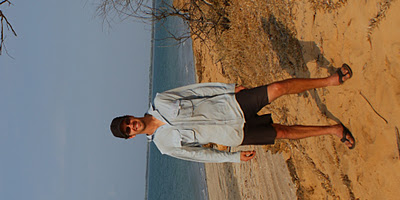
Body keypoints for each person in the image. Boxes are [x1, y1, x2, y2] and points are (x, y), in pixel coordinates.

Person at [110, 64, 356, 163]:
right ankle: (333, 130)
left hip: (232, 104)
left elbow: (198, 90)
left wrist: (228, 88)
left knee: (278, 88)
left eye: (127, 122)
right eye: (127, 131)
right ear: (131, 137)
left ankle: (330, 81)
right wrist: (233, 158)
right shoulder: (164, 146)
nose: (131, 126)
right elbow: (202, 155)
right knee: (282, 132)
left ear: (129, 116)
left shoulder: (161, 100)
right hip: (234, 134)